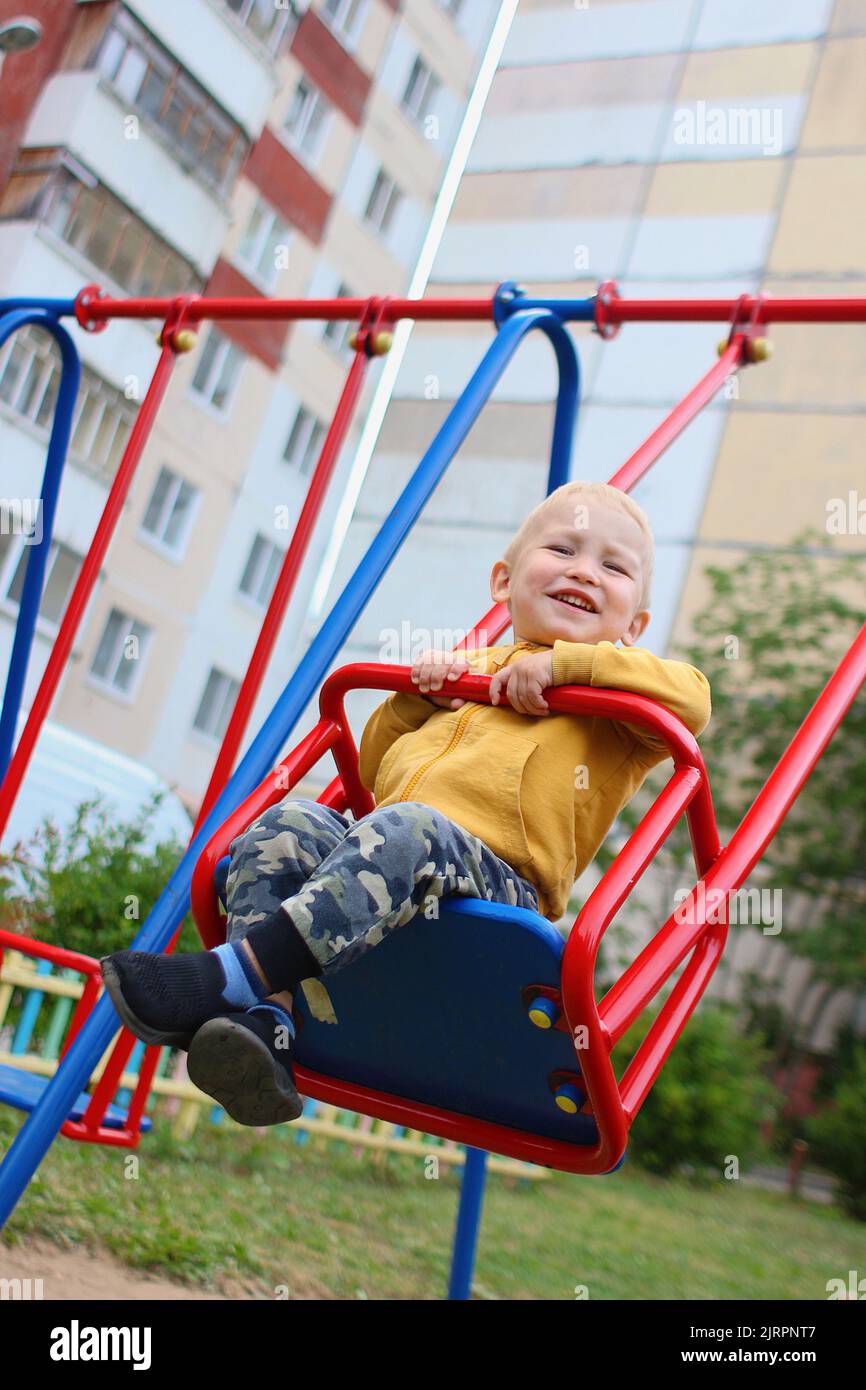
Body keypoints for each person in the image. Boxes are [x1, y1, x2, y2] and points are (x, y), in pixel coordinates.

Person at [100, 481, 711, 1126]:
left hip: (497, 884)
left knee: (410, 829)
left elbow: (695, 698)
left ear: (634, 627)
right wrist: (415, 700)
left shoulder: (620, 709)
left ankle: (223, 979)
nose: (584, 571)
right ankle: (267, 1022)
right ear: (503, 581)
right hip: (393, 855)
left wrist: (571, 667)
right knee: (287, 823)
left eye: (614, 567)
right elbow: (371, 772)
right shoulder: (468, 672)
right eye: (562, 549)